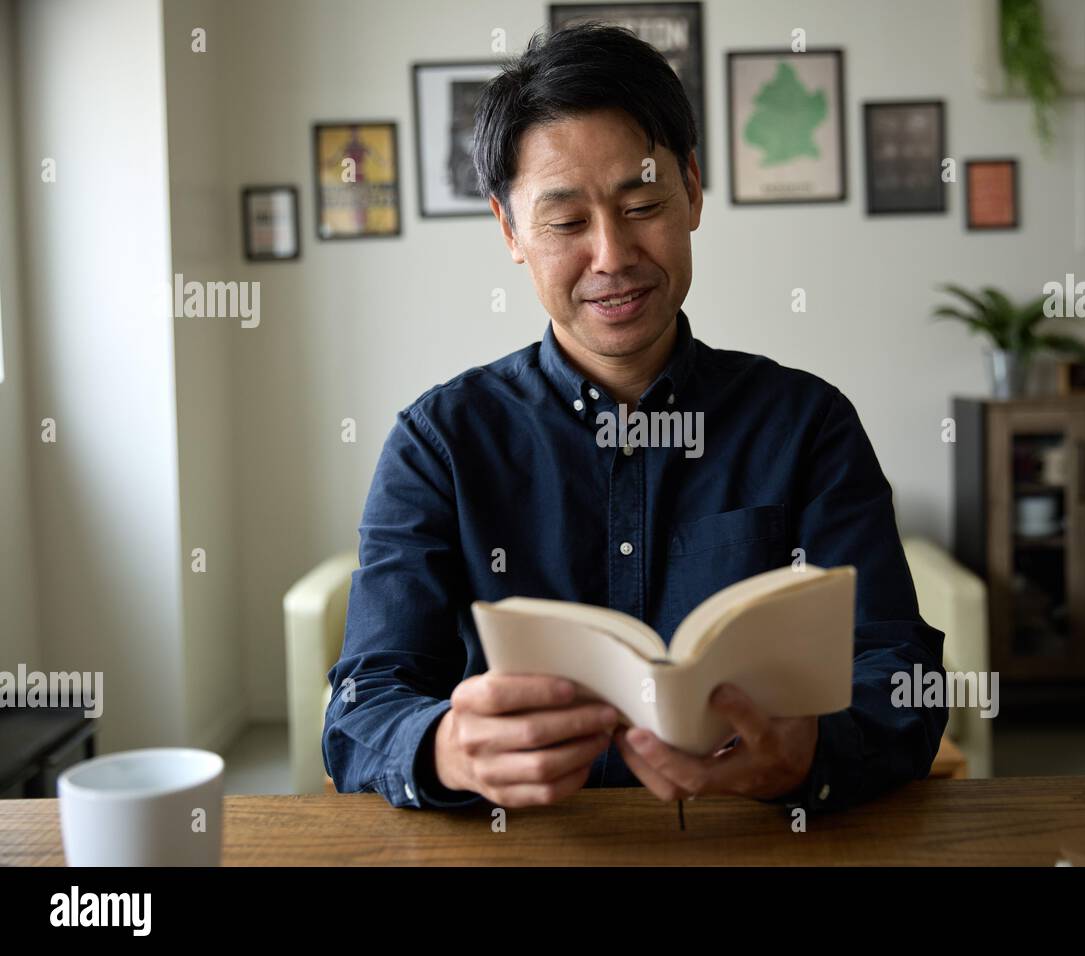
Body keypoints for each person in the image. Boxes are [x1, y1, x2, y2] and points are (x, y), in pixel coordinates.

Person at [323, 23, 947, 814]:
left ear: (691, 189)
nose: (612, 255)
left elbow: (903, 675)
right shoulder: (438, 444)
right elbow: (360, 707)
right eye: (567, 222)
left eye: (641, 203)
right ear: (510, 230)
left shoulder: (808, 425)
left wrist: (812, 754)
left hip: (752, 845)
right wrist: (445, 746)